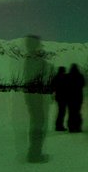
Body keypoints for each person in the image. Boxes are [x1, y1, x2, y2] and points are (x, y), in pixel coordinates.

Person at [23, 35, 51, 163]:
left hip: (32, 95)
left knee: (36, 123)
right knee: (38, 124)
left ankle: (34, 152)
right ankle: (35, 154)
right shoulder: (33, 60)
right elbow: (38, 77)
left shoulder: (29, 59)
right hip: (35, 96)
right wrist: (43, 62)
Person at [67, 64, 85, 133]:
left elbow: (65, 86)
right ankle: (78, 127)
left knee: (71, 113)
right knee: (77, 112)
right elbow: (83, 84)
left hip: (70, 97)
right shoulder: (80, 76)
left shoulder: (68, 76)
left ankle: (71, 127)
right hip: (78, 97)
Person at [52, 66, 68, 131]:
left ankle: (58, 125)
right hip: (63, 97)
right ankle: (59, 126)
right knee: (62, 112)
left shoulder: (56, 77)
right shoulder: (64, 77)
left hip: (59, 97)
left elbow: (53, 86)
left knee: (60, 111)